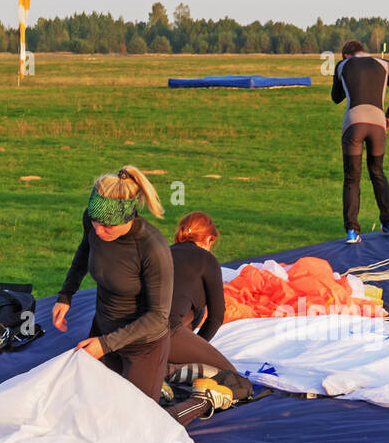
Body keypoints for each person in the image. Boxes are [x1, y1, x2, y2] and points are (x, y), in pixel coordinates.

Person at [52, 166, 173, 402]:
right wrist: (65, 295)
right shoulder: (94, 222)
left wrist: (106, 345)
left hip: (143, 344)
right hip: (103, 330)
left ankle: (203, 397)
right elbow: (84, 251)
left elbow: (159, 316)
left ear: (127, 217)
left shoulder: (152, 248)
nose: (98, 231)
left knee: (136, 419)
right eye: (95, 222)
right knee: (85, 404)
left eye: (107, 226)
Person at [167, 211, 253, 402]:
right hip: (165, 331)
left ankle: (167, 366)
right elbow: (216, 316)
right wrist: (199, 346)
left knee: (189, 317)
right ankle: (166, 371)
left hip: (136, 329)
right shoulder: (206, 259)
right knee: (234, 379)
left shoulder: (164, 252)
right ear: (209, 239)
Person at [331, 40, 389, 244]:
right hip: (378, 125)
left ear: (346, 56)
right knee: (377, 172)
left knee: (352, 178)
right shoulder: (386, 64)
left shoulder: (342, 66)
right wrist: (388, 116)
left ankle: (352, 231)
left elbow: (336, 97)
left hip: (353, 124)